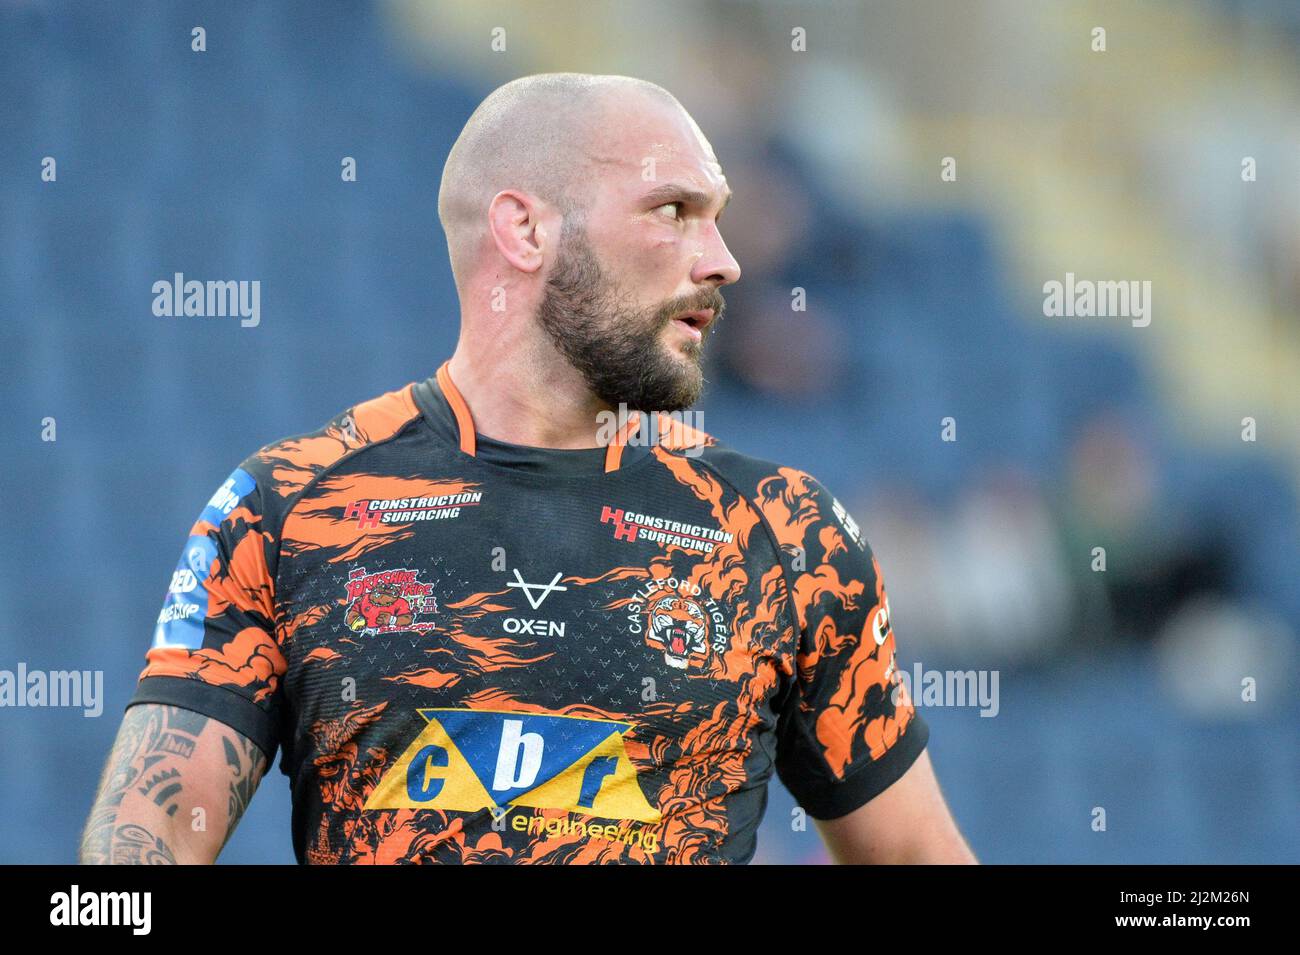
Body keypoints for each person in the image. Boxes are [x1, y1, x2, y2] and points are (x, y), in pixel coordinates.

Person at [79, 73, 976, 865]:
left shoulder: (785, 534)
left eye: (720, 218)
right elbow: (145, 843)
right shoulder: (287, 509)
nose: (723, 261)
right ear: (525, 230)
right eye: (673, 211)